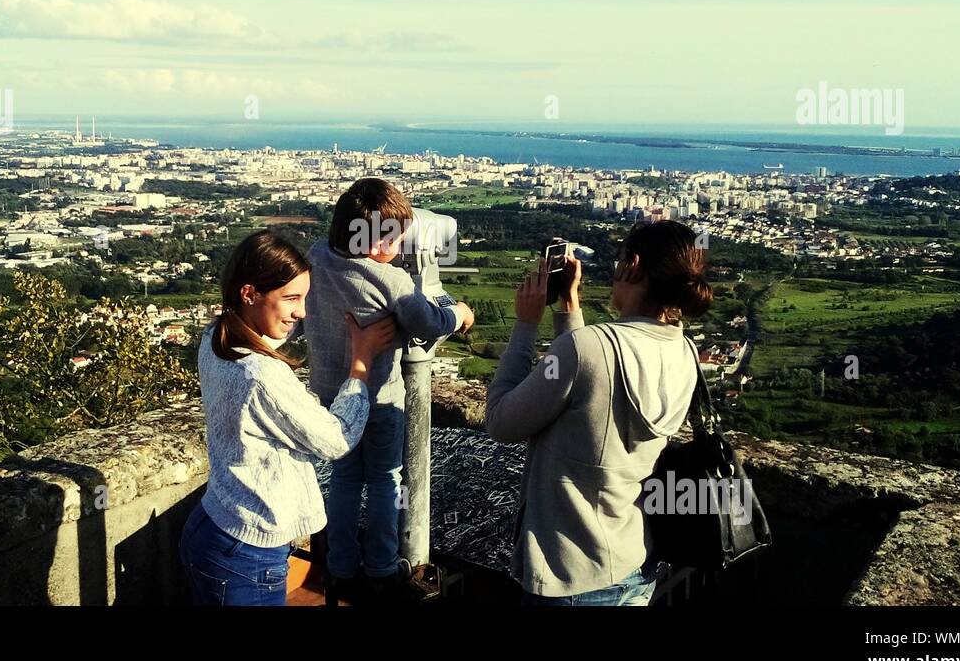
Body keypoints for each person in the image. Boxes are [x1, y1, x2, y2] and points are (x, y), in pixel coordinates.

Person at [484, 220, 713, 605]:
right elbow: (588, 383)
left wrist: (525, 326)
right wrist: (569, 306)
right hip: (635, 562)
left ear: (633, 265)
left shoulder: (588, 348)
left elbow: (501, 422)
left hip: (569, 574)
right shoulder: (686, 351)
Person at [181, 229, 396, 606]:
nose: (302, 311)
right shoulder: (262, 376)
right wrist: (360, 361)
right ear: (249, 293)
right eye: (291, 298)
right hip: (248, 553)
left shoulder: (216, 335)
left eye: (305, 298)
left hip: (212, 526)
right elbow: (337, 439)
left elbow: (263, 342)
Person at [302, 178, 476, 600]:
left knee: (343, 478)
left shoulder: (317, 257)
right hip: (379, 398)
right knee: (384, 479)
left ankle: (340, 566)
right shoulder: (392, 281)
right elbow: (428, 323)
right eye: (395, 237)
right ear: (377, 243)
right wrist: (460, 313)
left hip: (330, 394)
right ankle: (381, 567)